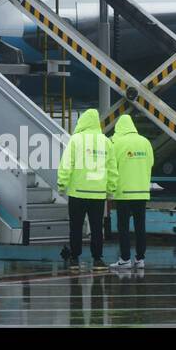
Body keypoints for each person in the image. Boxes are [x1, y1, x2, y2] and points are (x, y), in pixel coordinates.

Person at [57, 107, 116, 268]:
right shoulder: (106, 141)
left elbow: (66, 164)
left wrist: (62, 184)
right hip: (98, 194)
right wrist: (110, 190)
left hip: (78, 193)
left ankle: (75, 258)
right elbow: (112, 169)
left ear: (82, 121)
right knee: (97, 228)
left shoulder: (76, 140)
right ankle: (97, 258)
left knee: (76, 227)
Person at [108, 113, 153, 271]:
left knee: (123, 227)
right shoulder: (145, 142)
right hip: (141, 192)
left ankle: (125, 259)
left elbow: (112, 167)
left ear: (119, 127)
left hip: (124, 193)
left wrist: (110, 189)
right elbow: (151, 163)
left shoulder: (117, 144)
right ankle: (140, 259)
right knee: (140, 227)